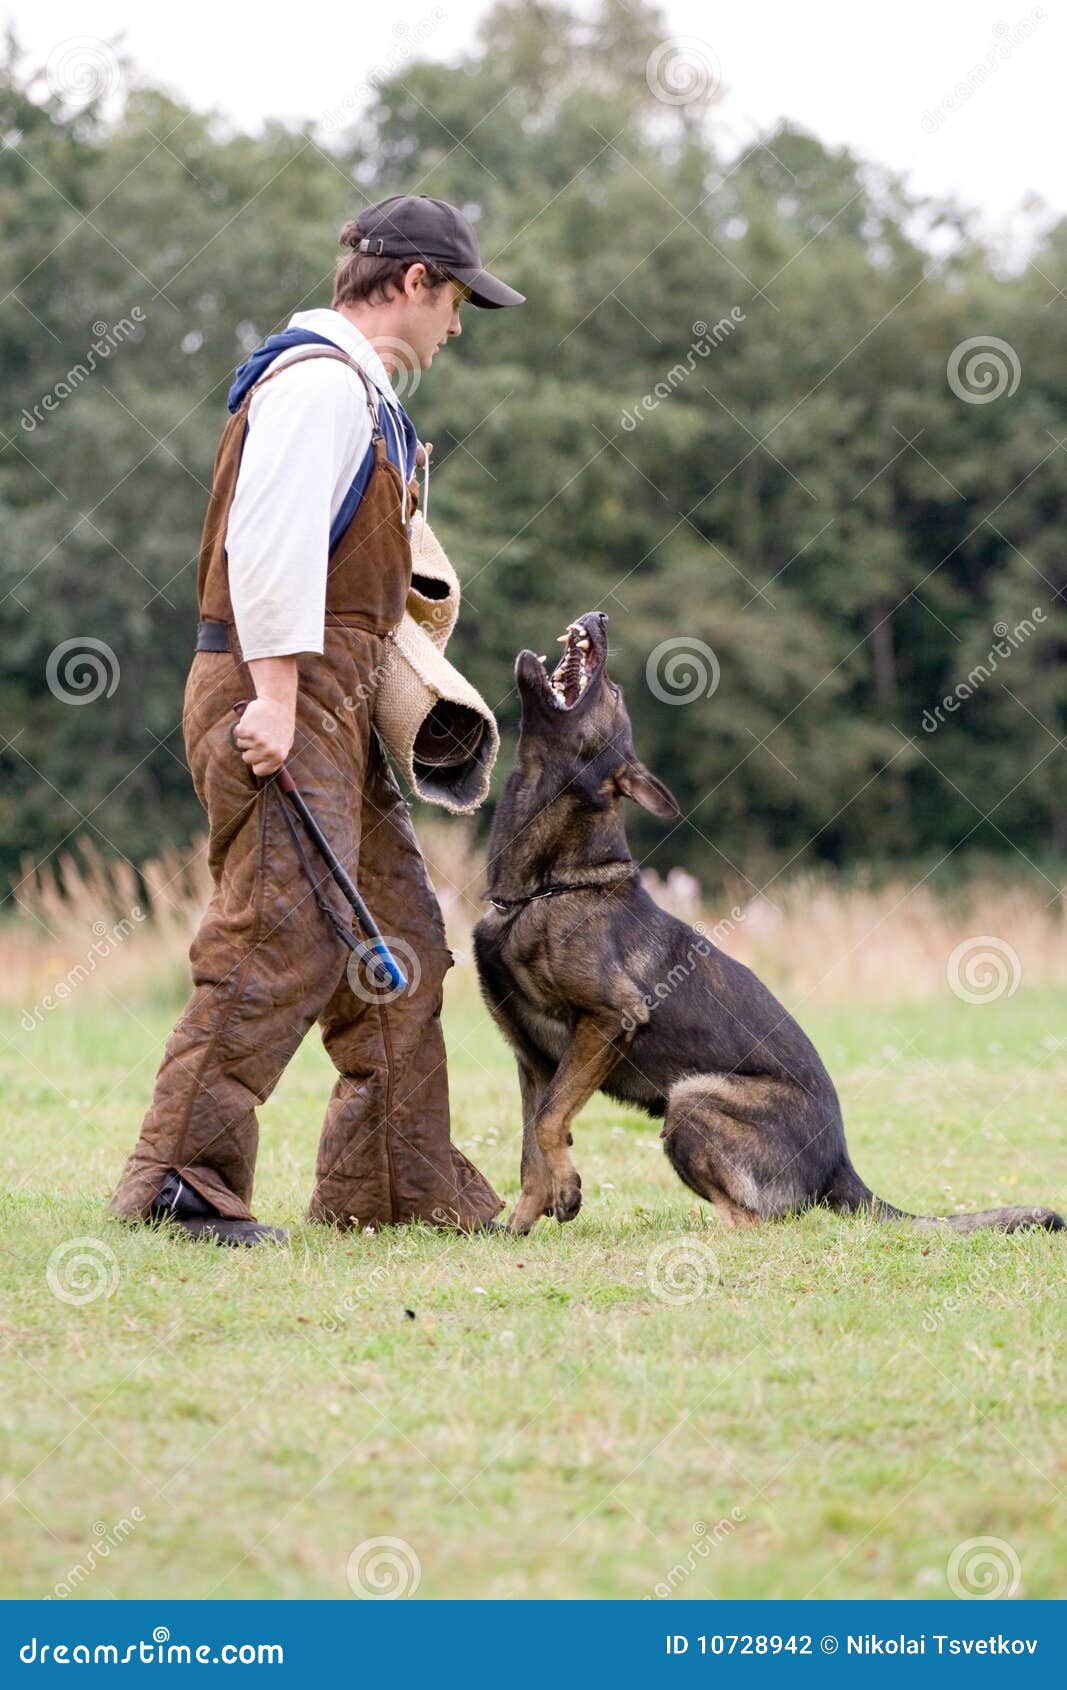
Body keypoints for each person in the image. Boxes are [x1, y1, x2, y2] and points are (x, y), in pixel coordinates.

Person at [108, 195, 524, 1245]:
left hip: (326, 701)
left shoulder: (362, 395)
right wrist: (281, 701)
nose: (460, 327)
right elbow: (270, 545)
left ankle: (393, 1189)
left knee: (398, 942)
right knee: (276, 936)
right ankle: (181, 1183)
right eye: (459, 302)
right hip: (274, 689)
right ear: (415, 284)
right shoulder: (317, 384)